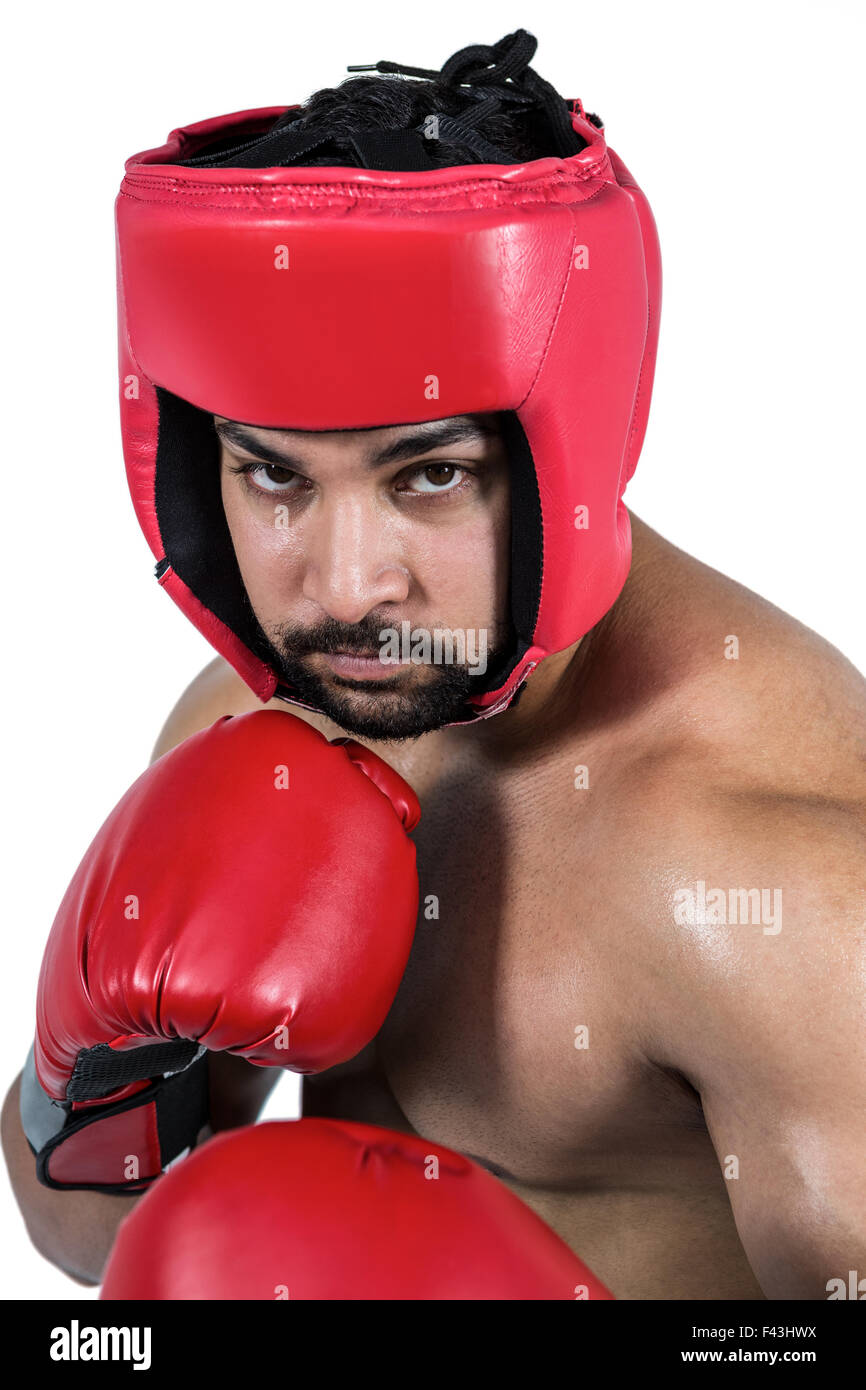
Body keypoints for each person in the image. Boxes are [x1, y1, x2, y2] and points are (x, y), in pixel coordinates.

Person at [3, 29, 864, 1301]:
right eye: (273, 474)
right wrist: (89, 1078)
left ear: (563, 450)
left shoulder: (780, 888)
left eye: (430, 475)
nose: (348, 589)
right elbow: (91, 1241)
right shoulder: (258, 722)